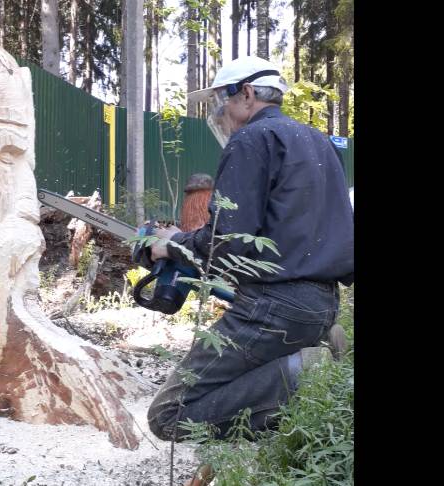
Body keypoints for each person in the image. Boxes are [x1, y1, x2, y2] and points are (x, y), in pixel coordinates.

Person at [146, 56, 354, 444]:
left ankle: (306, 369)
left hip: (272, 307)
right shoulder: (320, 142)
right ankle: (302, 368)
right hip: (324, 304)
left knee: (169, 415)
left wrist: (172, 245)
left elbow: (228, 242)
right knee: (247, 388)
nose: (219, 114)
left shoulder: (252, 139)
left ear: (245, 93)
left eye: (220, 102)